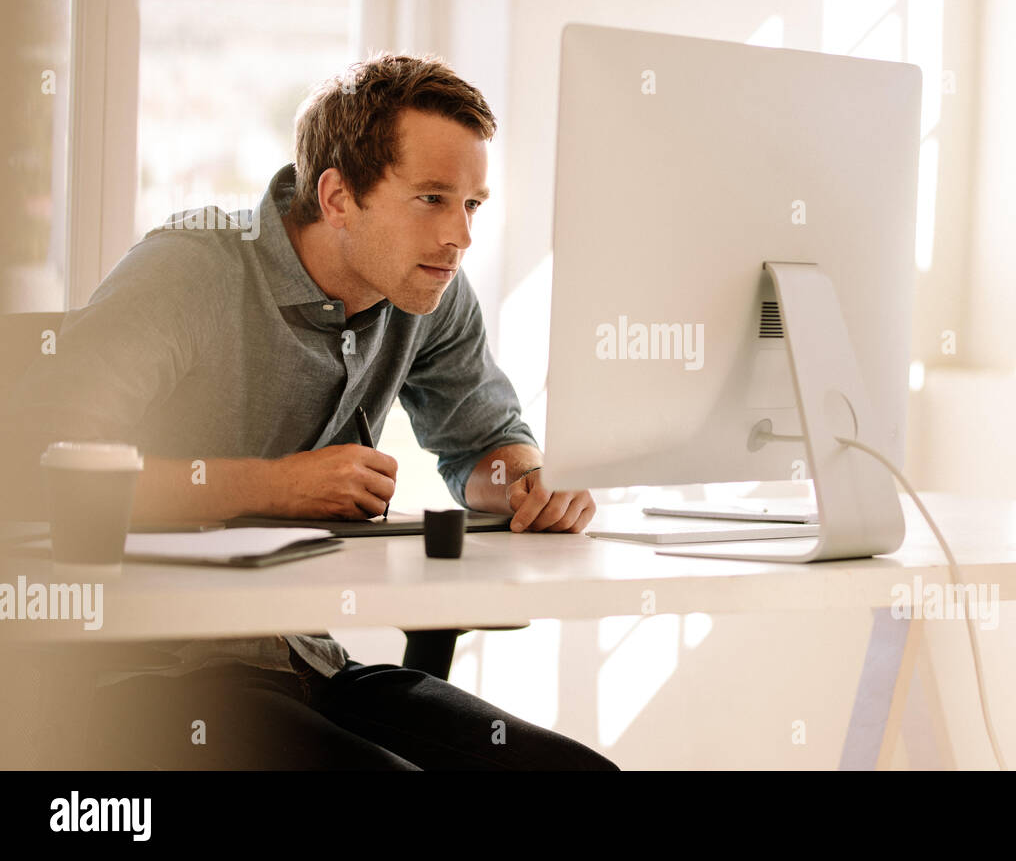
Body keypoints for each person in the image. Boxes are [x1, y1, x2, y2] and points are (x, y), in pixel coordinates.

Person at [3, 53, 616, 770]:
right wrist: (277, 485)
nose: (461, 236)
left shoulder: (432, 291)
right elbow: (29, 468)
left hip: (307, 662)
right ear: (336, 197)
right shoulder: (189, 272)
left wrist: (523, 483)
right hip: (142, 676)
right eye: (431, 199)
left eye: (472, 204)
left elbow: (485, 441)